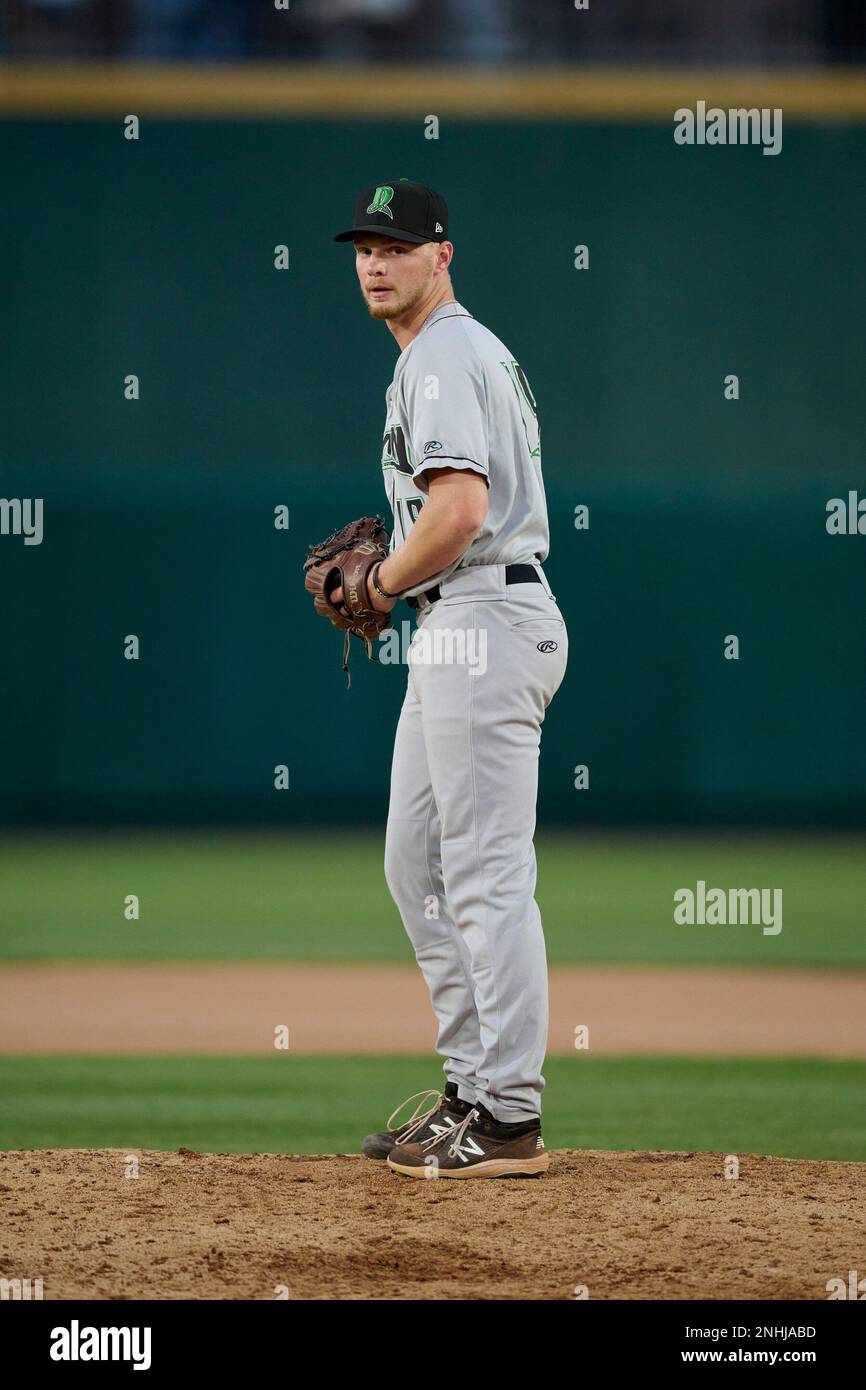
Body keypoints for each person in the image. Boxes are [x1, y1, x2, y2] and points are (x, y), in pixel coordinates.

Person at [332, 179, 568, 1177]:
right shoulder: (454, 353)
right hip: (463, 621)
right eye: (363, 246)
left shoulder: (437, 354)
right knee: (415, 861)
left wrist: (380, 578)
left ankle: (508, 1116)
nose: (375, 261)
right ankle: (471, 1084)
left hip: (482, 612)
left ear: (443, 255)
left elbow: (461, 510)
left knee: (479, 872)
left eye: (397, 244)